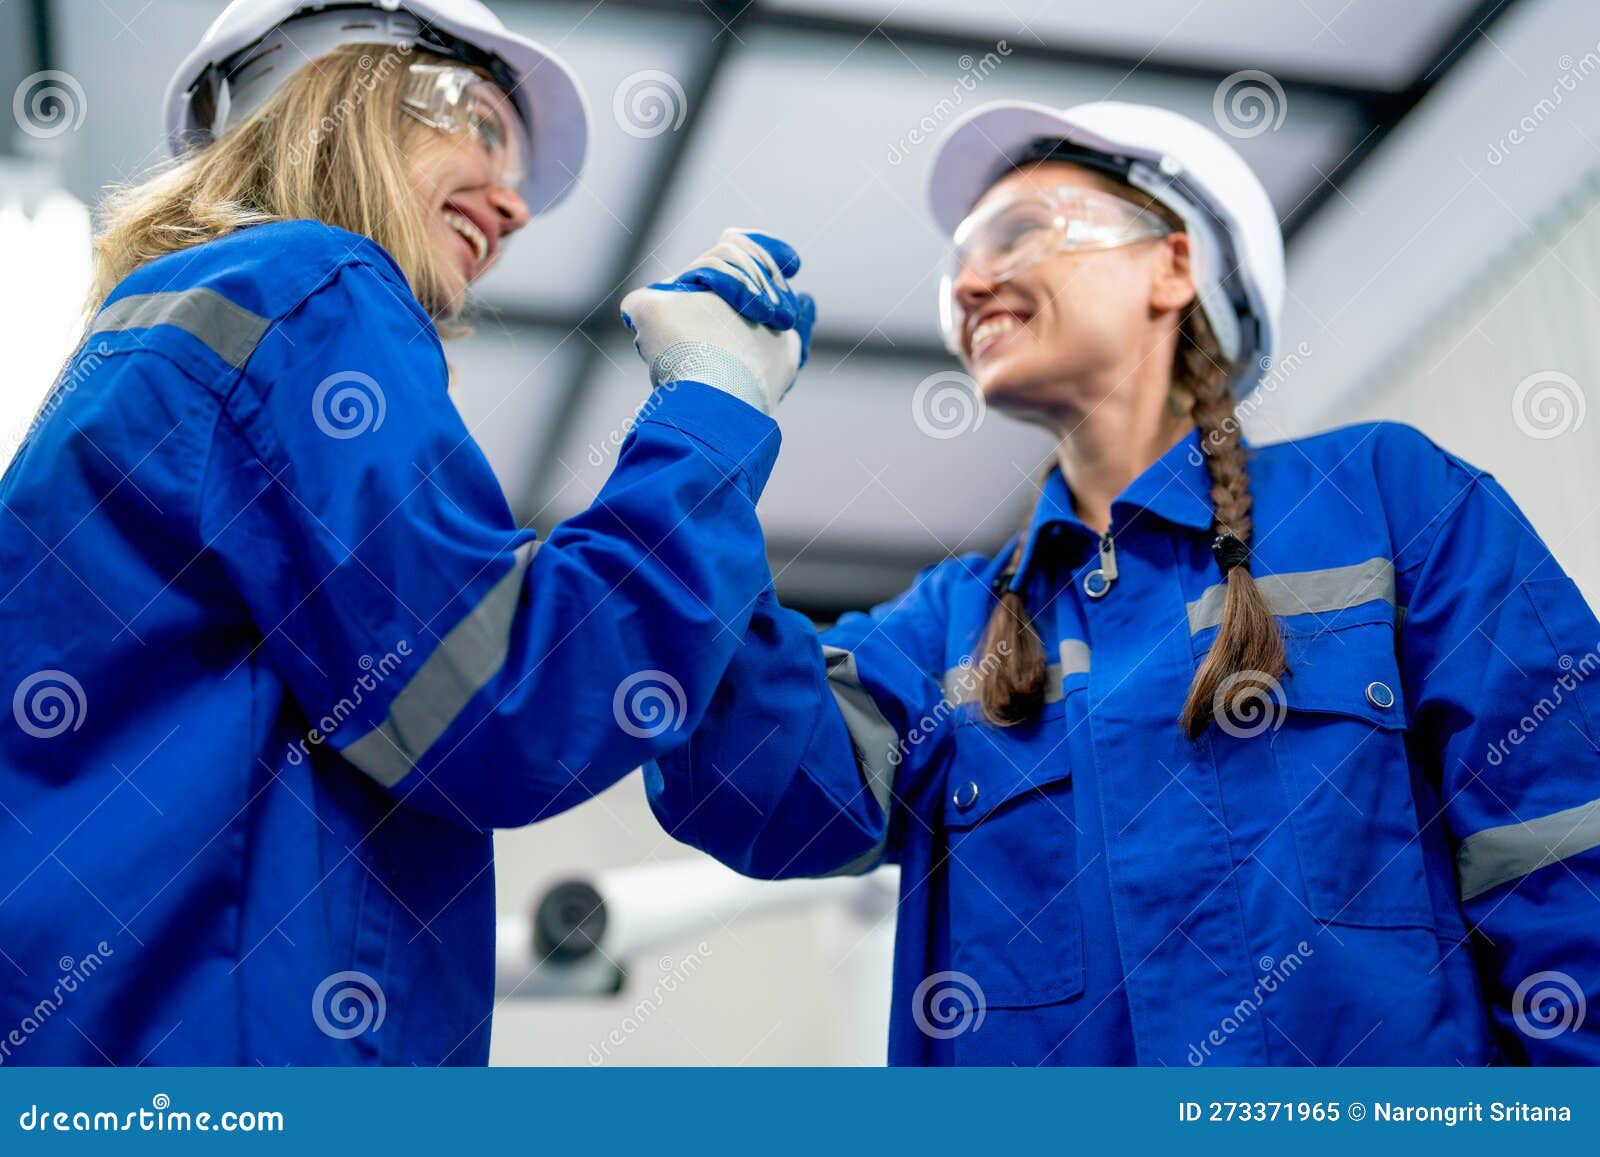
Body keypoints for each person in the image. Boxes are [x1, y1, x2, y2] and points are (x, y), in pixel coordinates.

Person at [646, 99, 1600, 1065]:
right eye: (959, 266)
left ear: (1172, 265)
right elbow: (752, 787)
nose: (973, 281)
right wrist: (706, 418)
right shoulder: (948, 631)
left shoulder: (1393, 502)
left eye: (1018, 234)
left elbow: (1565, 858)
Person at [0, 0, 811, 1065]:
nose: (515, 203)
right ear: (348, 92)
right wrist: (714, 409)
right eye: (480, 124)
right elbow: (503, 701)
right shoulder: (303, 289)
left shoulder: (144, 352)